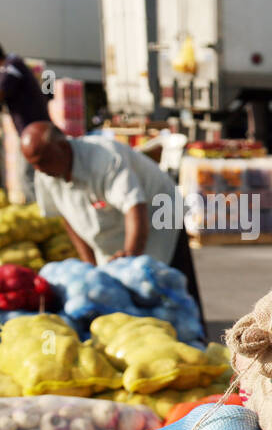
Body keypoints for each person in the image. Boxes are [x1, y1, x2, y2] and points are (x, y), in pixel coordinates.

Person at [21, 121, 206, 330]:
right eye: (33, 164)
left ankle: (195, 337)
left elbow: (135, 206)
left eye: (42, 161)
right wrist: (89, 265)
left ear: (63, 148)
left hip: (158, 213)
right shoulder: (45, 173)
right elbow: (67, 218)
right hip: (114, 227)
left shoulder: (103, 157)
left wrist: (130, 259)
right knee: (115, 291)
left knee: (163, 284)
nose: (39, 169)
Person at [0, 44, 53, 201]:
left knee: (27, 174)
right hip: (32, 129)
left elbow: (2, 90)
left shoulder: (12, 66)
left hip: (34, 131)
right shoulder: (11, 66)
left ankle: (38, 211)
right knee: (32, 172)